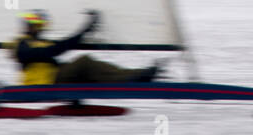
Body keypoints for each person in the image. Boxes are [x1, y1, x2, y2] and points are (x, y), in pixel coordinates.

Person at [9, 10, 164, 85]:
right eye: (29, 22)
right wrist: (86, 29)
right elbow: (46, 51)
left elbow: (65, 44)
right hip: (41, 82)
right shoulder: (20, 43)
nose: (32, 26)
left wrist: (87, 29)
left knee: (93, 68)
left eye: (37, 23)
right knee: (85, 62)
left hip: (54, 76)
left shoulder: (45, 43)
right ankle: (133, 78)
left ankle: (137, 75)